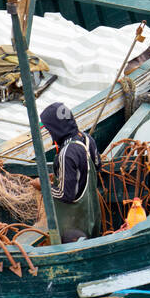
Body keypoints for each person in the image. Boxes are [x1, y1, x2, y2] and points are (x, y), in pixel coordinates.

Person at [30, 102, 102, 241]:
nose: (49, 133)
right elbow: (97, 166)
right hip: (92, 219)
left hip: (74, 229)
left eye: (49, 129)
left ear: (56, 128)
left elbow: (66, 194)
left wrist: (43, 186)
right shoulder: (87, 139)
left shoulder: (66, 153)